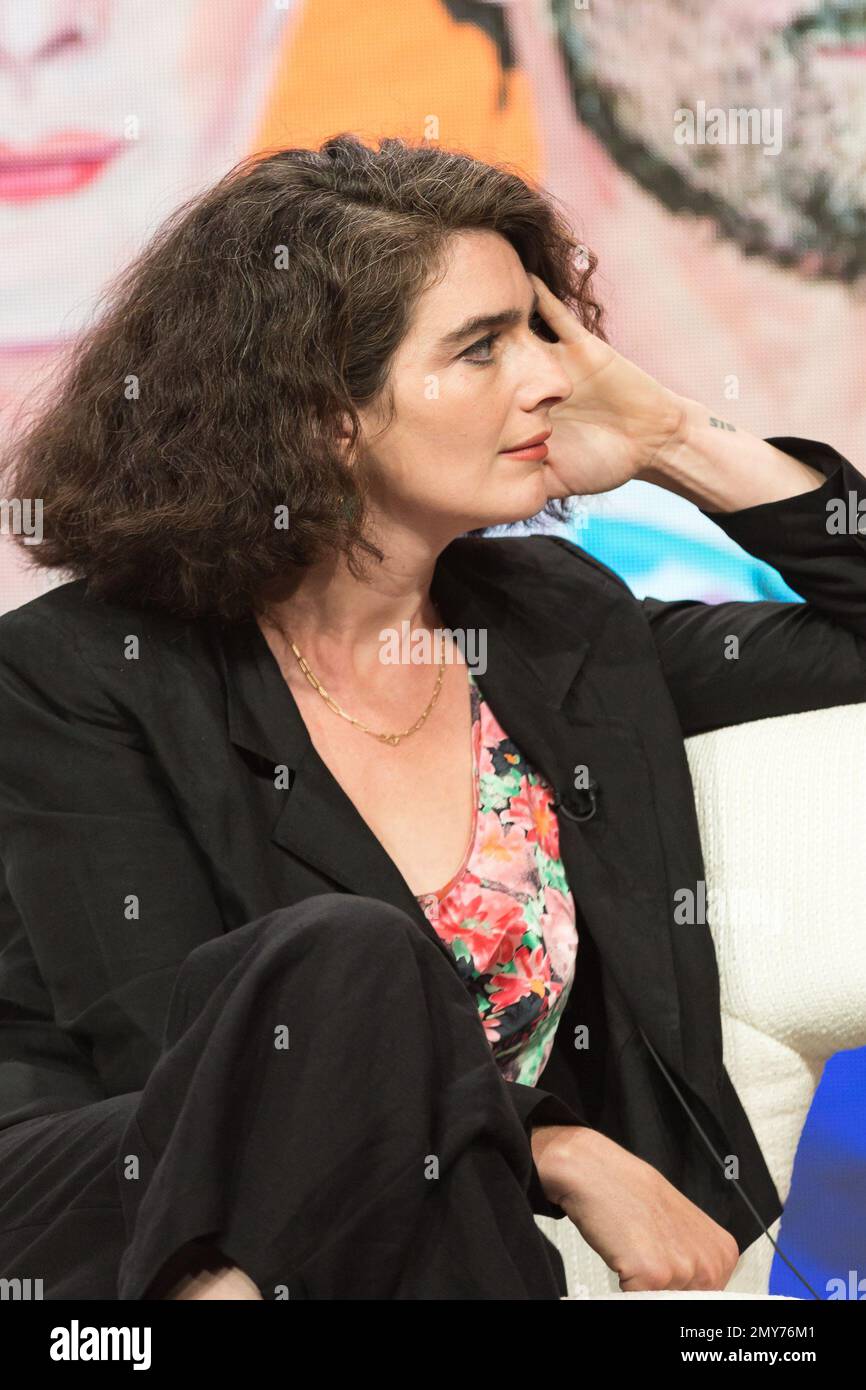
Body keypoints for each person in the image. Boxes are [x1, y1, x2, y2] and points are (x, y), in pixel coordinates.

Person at [1, 134, 864, 1300]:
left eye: (540, 332)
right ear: (321, 414)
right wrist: (551, 1143)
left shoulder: (562, 629)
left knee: (429, 1180)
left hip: (415, 1235)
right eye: (481, 347)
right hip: (119, 1211)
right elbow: (176, 1054)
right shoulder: (82, 672)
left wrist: (677, 442)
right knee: (347, 959)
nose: (552, 378)